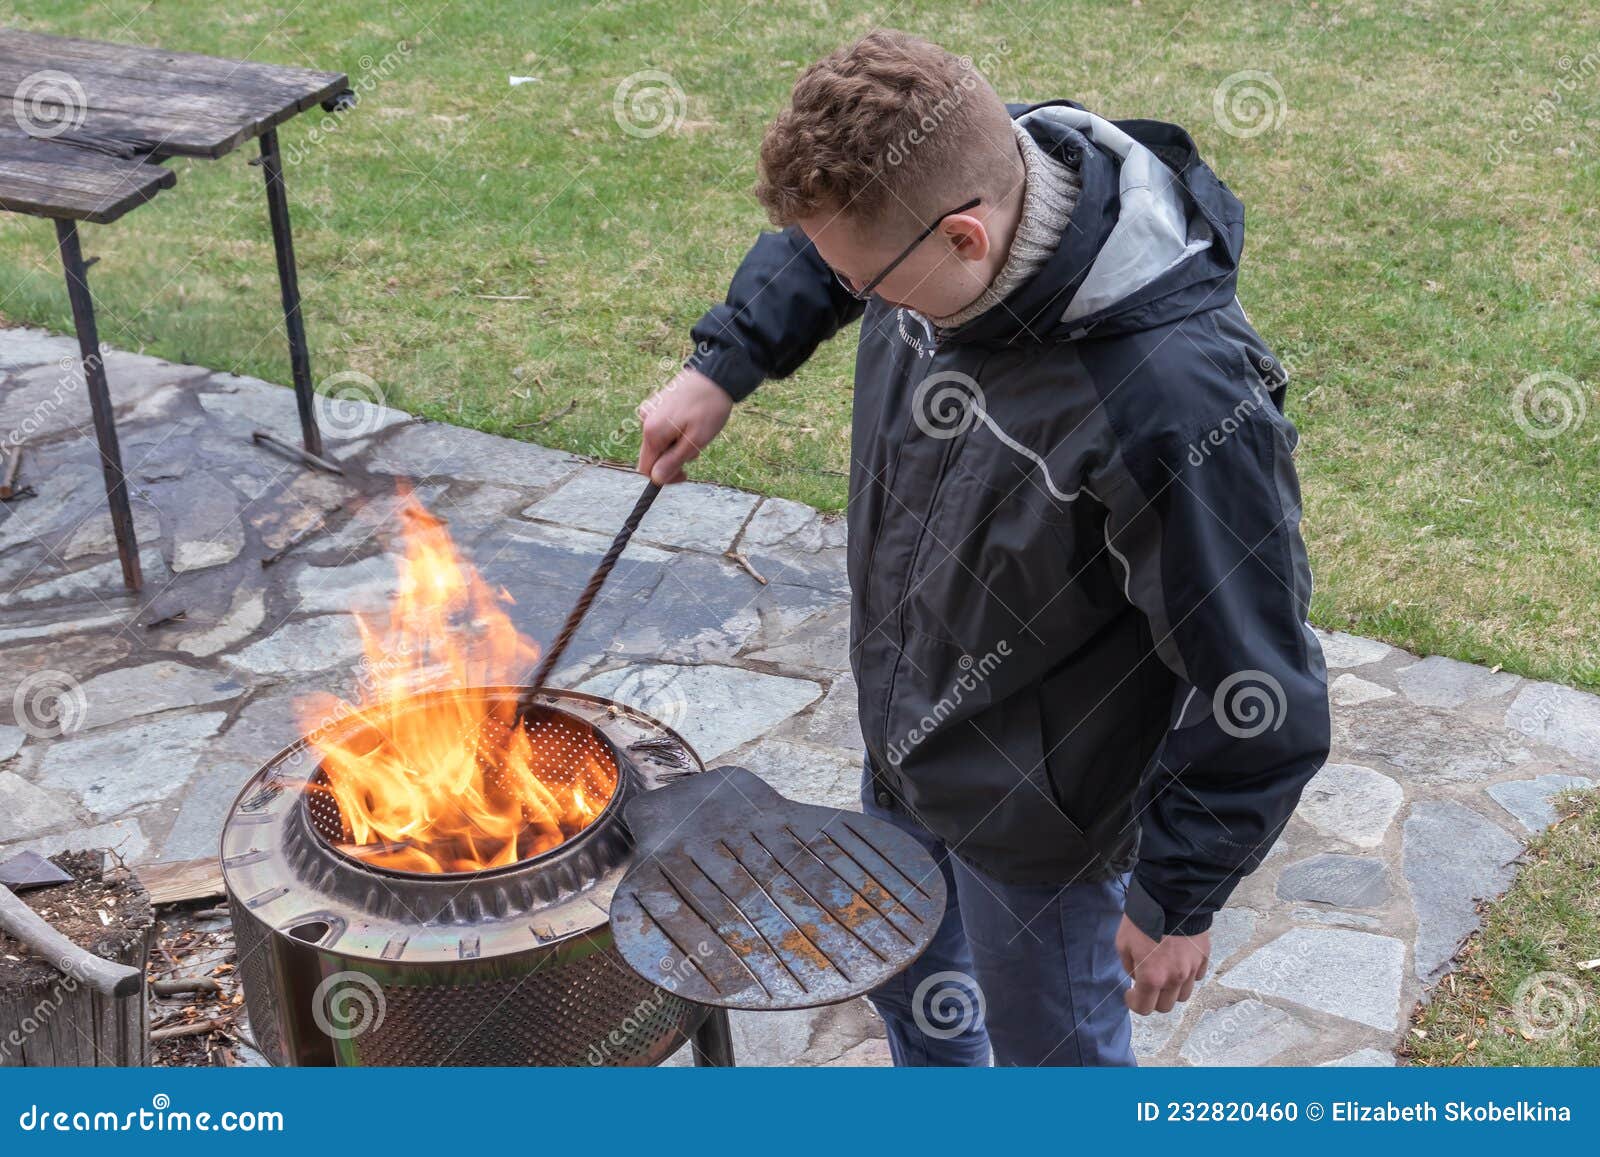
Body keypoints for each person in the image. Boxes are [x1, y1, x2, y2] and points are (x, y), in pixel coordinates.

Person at [634, 30, 1330, 1066]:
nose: (856, 297)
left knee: (1057, 1060)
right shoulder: (946, 201)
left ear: (964, 239)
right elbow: (831, 248)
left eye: (870, 284)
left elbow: (1255, 672)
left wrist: (1180, 892)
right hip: (904, 740)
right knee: (922, 1007)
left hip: (1040, 822)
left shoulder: (1173, 402)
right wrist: (726, 363)